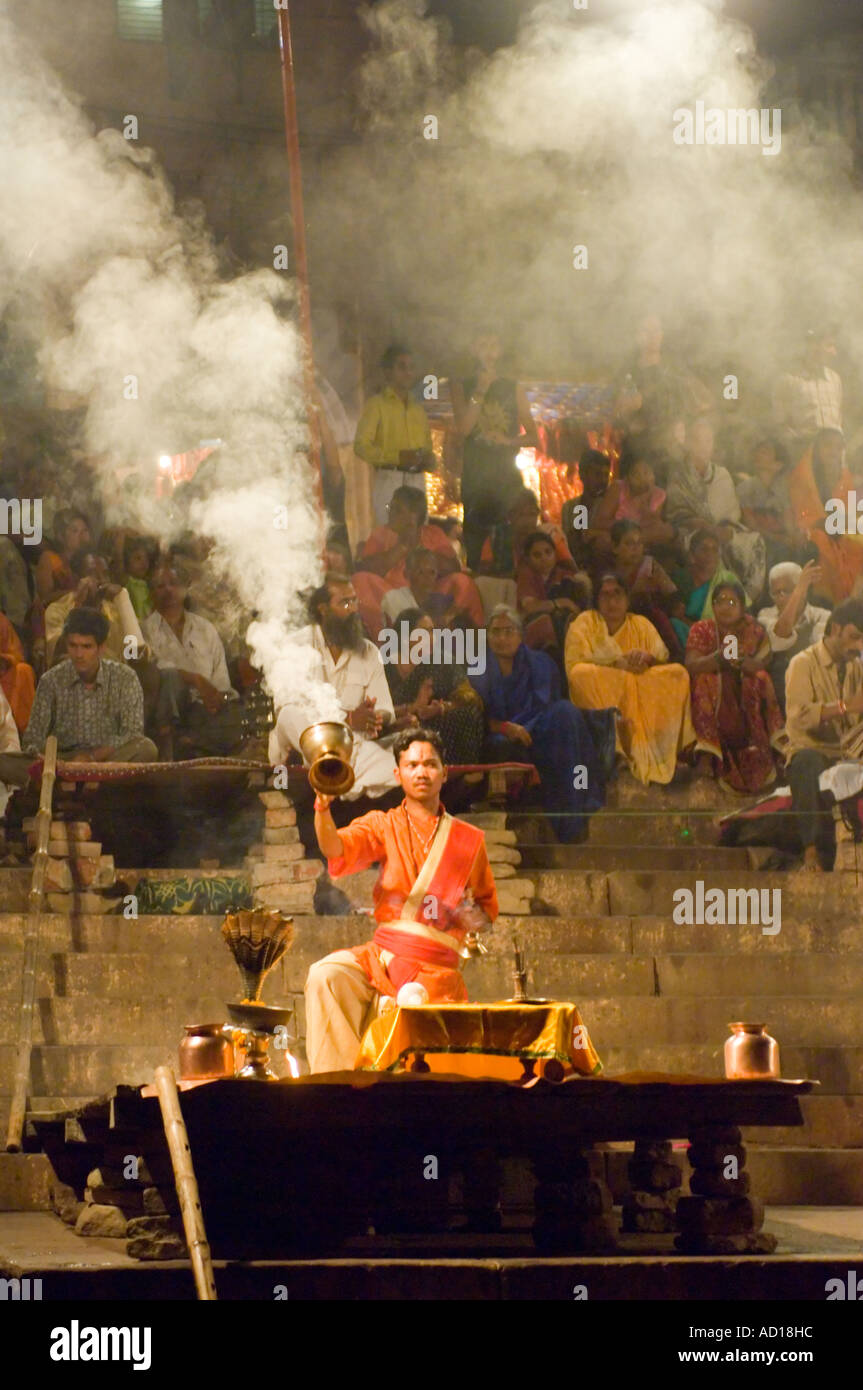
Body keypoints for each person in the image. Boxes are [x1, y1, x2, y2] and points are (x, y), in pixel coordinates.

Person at [304, 727, 498, 1072]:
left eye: (430, 764)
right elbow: (334, 848)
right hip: (382, 955)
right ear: (398, 774)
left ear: (444, 772)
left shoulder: (468, 840)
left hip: (436, 967)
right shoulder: (382, 824)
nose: (421, 772)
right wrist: (322, 807)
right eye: (411, 765)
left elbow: (485, 913)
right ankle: (340, 1084)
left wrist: (471, 918)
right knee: (325, 975)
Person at [470, 606, 613, 842]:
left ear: (520, 634)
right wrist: (508, 728)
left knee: (566, 714)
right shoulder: (478, 667)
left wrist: (528, 727)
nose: (502, 638)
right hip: (500, 736)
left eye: (508, 631)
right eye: (495, 632)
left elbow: (546, 704)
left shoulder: (540, 663)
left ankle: (575, 805)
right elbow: (477, 716)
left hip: (540, 731)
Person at [268, 574, 397, 801]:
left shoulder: (368, 651)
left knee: (394, 767)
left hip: (353, 745)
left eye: (355, 601)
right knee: (289, 713)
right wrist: (345, 720)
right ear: (323, 609)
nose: (353, 609)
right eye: (344, 603)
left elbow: (386, 709)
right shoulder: (296, 645)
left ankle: (340, 776)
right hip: (304, 747)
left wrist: (374, 718)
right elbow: (285, 709)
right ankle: (342, 774)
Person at [565, 573, 695, 785]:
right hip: (605, 681)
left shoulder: (641, 623)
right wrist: (618, 663)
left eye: (617, 594)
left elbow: (662, 660)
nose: (612, 601)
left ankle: (666, 749)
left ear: (627, 599)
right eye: (605, 595)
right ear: (596, 600)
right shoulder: (585, 622)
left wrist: (647, 659)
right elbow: (574, 663)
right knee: (581, 674)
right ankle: (616, 748)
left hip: (641, 679)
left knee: (677, 674)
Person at [785, 597, 863, 872]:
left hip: (848, 754)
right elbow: (801, 716)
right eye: (854, 637)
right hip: (812, 749)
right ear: (834, 630)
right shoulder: (802, 663)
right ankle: (811, 853)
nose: (859, 647)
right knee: (807, 762)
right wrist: (845, 706)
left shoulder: (857, 667)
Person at [451, 332, 539, 569]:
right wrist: (481, 389)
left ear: (499, 351)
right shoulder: (461, 385)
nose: (488, 351)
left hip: (506, 478)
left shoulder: (513, 388)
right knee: (477, 552)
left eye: (493, 345)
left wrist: (508, 441)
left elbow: (534, 437)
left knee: (509, 549)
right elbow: (464, 428)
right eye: (482, 344)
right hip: (475, 478)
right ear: (473, 349)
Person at [685, 580, 783, 794]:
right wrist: (718, 659)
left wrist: (738, 661)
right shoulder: (702, 629)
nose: (725, 607)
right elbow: (692, 665)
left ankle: (768, 751)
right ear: (712, 606)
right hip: (714, 693)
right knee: (706, 679)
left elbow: (761, 664)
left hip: (745, 691)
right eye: (720, 601)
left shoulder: (754, 631)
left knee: (761, 678)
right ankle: (709, 754)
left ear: (742, 606)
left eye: (732, 601)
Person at [22, 609, 157, 762]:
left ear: (101, 648)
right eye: (73, 645)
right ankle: (86, 780)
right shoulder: (50, 681)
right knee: (9, 762)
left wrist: (91, 757)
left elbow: (132, 733)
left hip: (108, 758)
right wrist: (49, 759)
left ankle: (94, 780)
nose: (79, 654)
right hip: (63, 759)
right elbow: (33, 739)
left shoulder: (125, 678)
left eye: (87, 647)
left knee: (146, 748)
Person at [142, 561, 243, 758]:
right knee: (170, 677)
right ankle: (175, 745)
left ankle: (196, 742)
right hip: (171, 712)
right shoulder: (145, 630)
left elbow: (221, 679)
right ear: (152, 592)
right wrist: (195, 678)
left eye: (174, 583)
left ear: (186, 587)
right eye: (161, 586)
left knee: (239, 711)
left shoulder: (205, 628)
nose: (169, 590)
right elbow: (152, 670)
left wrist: (217, 699)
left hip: (206, 710)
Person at [354, 487, 482, 639]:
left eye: (397, 509)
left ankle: (470, 642)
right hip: (392, 598)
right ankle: (387, 638)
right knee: (360, 580)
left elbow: (453, 567)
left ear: (414, 516)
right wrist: (401, 546)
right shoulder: (381, 533)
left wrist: (421, 551)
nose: (390, 512)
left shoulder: (433, 533)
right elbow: (366, 568)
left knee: (464, 583)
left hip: (430, 597)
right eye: (391, 507)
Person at [666, 417, 765, 603]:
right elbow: (676, 512)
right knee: (707, 546)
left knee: (754, 543)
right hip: (691, 531)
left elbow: (731, 513)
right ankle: (712, 603)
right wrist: (704, 525)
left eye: (708, 441)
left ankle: (743, 601)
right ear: (687, 442)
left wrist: (723, 528)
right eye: (696, 440)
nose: (703, 446)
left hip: (721, 528)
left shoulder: (722, 474)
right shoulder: (678, 475)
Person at [384, 609, 483, 765]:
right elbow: (380, 710)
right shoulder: (385, 666)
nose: (431, 638)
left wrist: (442, 708)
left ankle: (462, 774)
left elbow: (471, 698)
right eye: (424, 632)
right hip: (400, 724)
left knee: (470, 714)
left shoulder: (443, 661)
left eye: (432, 631)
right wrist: (414, 706)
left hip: (437, 723)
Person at [353, 345, 436, 524]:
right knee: (389, 536)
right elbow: (360, 446)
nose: (408, 372)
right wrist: (396, 457)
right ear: (388, 372)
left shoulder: (418, 410)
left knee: (418, 535)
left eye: (411, 367)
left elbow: (428, 447)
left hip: (417, 481)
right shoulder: (376, 405)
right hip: (390, 478)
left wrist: (430, 460)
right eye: (401, 367)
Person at [789, 428, 863, 603]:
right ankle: (830, 604)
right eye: (828, 446)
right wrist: (821, 523)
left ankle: (853, 604)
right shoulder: (802, 476)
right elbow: (800, 515)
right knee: (820, 541)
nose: (833, 452)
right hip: (812, 532)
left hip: (841, 531)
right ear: (816, 448)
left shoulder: (845, 476)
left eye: (838, 448)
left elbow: (851, 513)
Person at [45, 550, 146, 666]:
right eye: (92, 573)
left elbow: (137, 656)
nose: (101, 579)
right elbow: (58, 657)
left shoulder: (116, 611)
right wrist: (82, 609)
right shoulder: (57, 610)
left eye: (105, 574)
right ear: (76, 578)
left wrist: (124, 600)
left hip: (116, 679)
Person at [757, 561, 831, 716]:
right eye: (776, 593)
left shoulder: (823, 616)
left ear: (804, 590)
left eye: (788, 590)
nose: (781, 597)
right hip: (779, 689)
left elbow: (821, 654)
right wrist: (798, 591)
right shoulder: (765, 615)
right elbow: (780, 638)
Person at [609, 520, 687, 658]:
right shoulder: (610, 573)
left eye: (639, 543)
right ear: (615, 548)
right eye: (629, 543)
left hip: (652, 618)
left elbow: (671, 593)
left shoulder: (650, 566)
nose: (635, 548)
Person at [516, 531, 590, 657]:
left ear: (555, 554)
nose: (544, 558)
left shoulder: (567, 576)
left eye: (548, 552)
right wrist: (561, 603)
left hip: (565, 629)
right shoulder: (526, 575)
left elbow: (579, 609)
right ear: (528, 559)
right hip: (535, 628)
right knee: (545, 623)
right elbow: (530, 608)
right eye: (537, 555)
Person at [590, 445, 675, 553]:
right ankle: (629, 544)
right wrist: (627, 528)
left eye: (646, 473)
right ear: (627, 477)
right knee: (602, 540)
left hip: (642, 536)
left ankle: (631, 545)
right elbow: (600, 522)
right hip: (618, 535)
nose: (641, 479)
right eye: (636, 474)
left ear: (654, 475)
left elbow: (653, 524)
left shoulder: (659, 494)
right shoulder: (618, 488)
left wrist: (645, 505)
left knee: (666, 531)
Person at [773, 327, 843, 455]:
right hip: (803, 458)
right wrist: (800, 445)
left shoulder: (835, 379)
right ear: (813, 346)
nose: (834, 352)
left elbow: (838, 422)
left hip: (834, 460)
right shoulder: (788, 380)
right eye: (829, 346)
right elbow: (780, 426)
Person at [480, 487, 571, 578]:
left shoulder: (550, 534)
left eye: (531, 514)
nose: (527, 521)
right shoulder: (496, 537)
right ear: (510, 516)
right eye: (521, 514)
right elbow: (484, 575)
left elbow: (571, 570)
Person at [671, 529, 741, 627]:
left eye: (714, 550)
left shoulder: (728, 579)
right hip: (687, 633)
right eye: (704, 549)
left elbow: (742, 614)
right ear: (692, 555)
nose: (710, 554)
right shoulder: (681, 578)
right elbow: (676, 615)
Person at [562, 448, 612, 569]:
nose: (603, 480)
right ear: (582, 475)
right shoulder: (573, 507)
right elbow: (576, 541)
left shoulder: (611, 505)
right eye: (597, 474)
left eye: (606, 475)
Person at [34, 508, 91, 607]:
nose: (82, 536)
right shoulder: (49, 559)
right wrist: (76, 592)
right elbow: (44, 599)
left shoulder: (87, 560)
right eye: (75, 531)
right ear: (60, 536)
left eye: (85, 530)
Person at [0, 610, 35, 732]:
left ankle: (27, 735)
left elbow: (13, 652)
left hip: (4, 671)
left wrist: (5, 659)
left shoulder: (1, 620)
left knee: (23, 671)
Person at [121, 535, 156, 622]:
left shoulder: (146, 585)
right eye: (138, 558)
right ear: (127, 562)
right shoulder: (129, 584)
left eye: (146, 559)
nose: (144, 563)